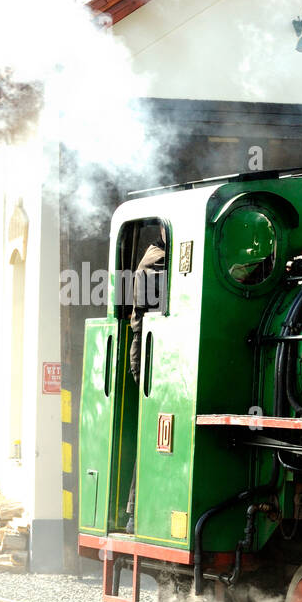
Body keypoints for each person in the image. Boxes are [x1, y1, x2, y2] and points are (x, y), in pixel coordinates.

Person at [125, 225, 166, 534]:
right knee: (157, 433)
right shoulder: (157, 259)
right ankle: (136, 513)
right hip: (153, 354)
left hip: (160, 351)